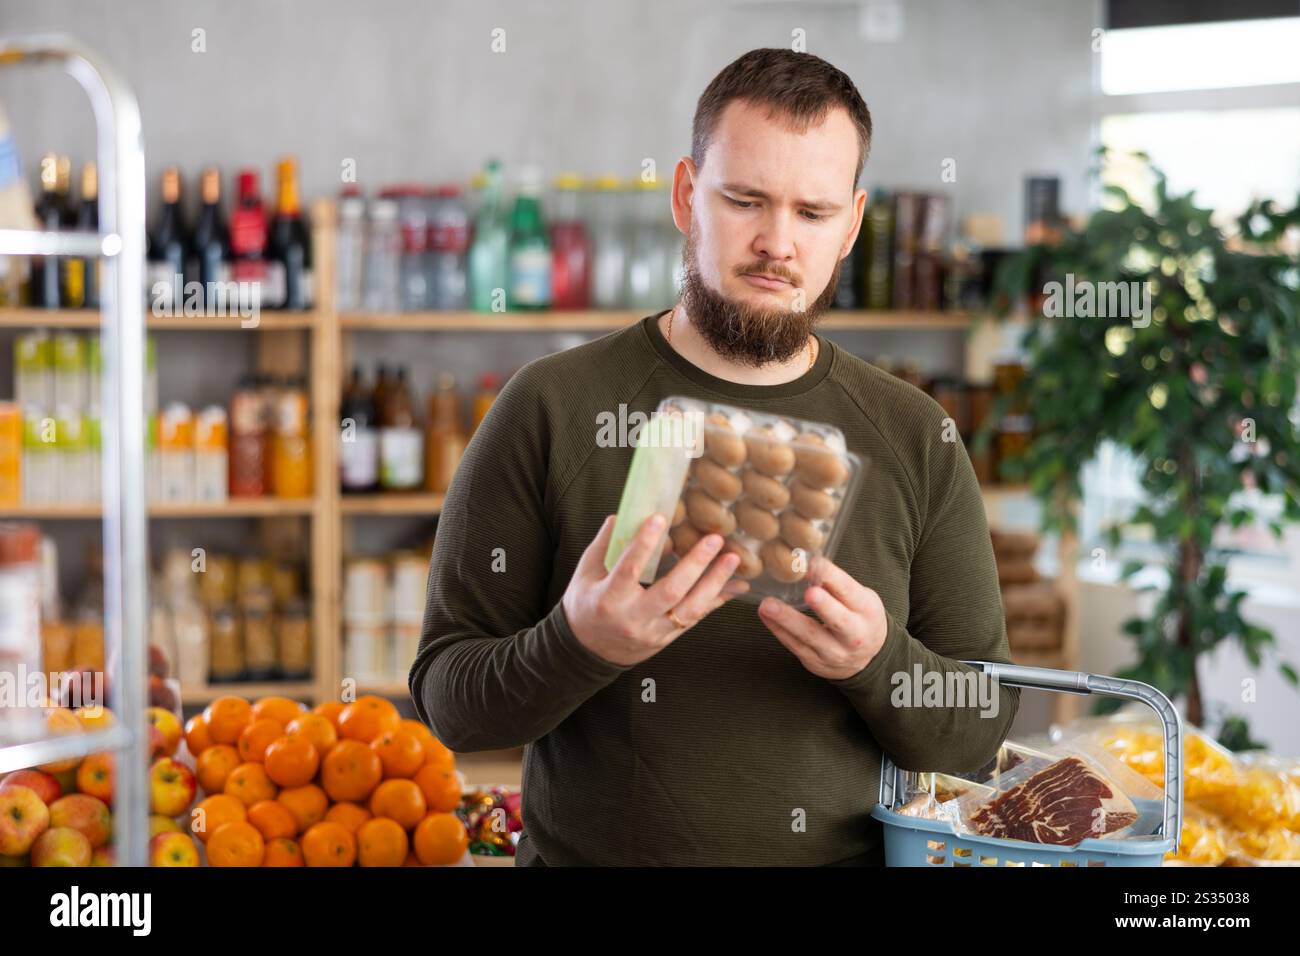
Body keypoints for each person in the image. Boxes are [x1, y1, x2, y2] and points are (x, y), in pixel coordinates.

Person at [410, 47, 1019, 866]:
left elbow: (979, 725)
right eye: (745, 200)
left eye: (812, 212)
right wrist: (579, 642)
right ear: (686, 195)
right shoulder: (550, 405)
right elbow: (452, 702)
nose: (778, 243)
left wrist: (880, 663)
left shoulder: (916, 434)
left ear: (851, 226)